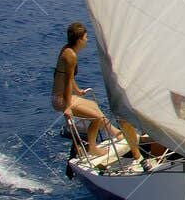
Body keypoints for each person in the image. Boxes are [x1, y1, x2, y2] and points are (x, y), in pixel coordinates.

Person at [51, 22, 141, 165]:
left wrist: (78, 91)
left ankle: (115, 133)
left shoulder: (68, 50)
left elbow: (69, 77)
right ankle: (92, 148)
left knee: (93, 105)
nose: (87, 40)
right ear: (79, 39)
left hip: (63, 96)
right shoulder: (71, 56)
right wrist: (67, 107)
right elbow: (67, 81)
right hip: (60, 99)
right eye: (86, 37)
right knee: (96, 117)